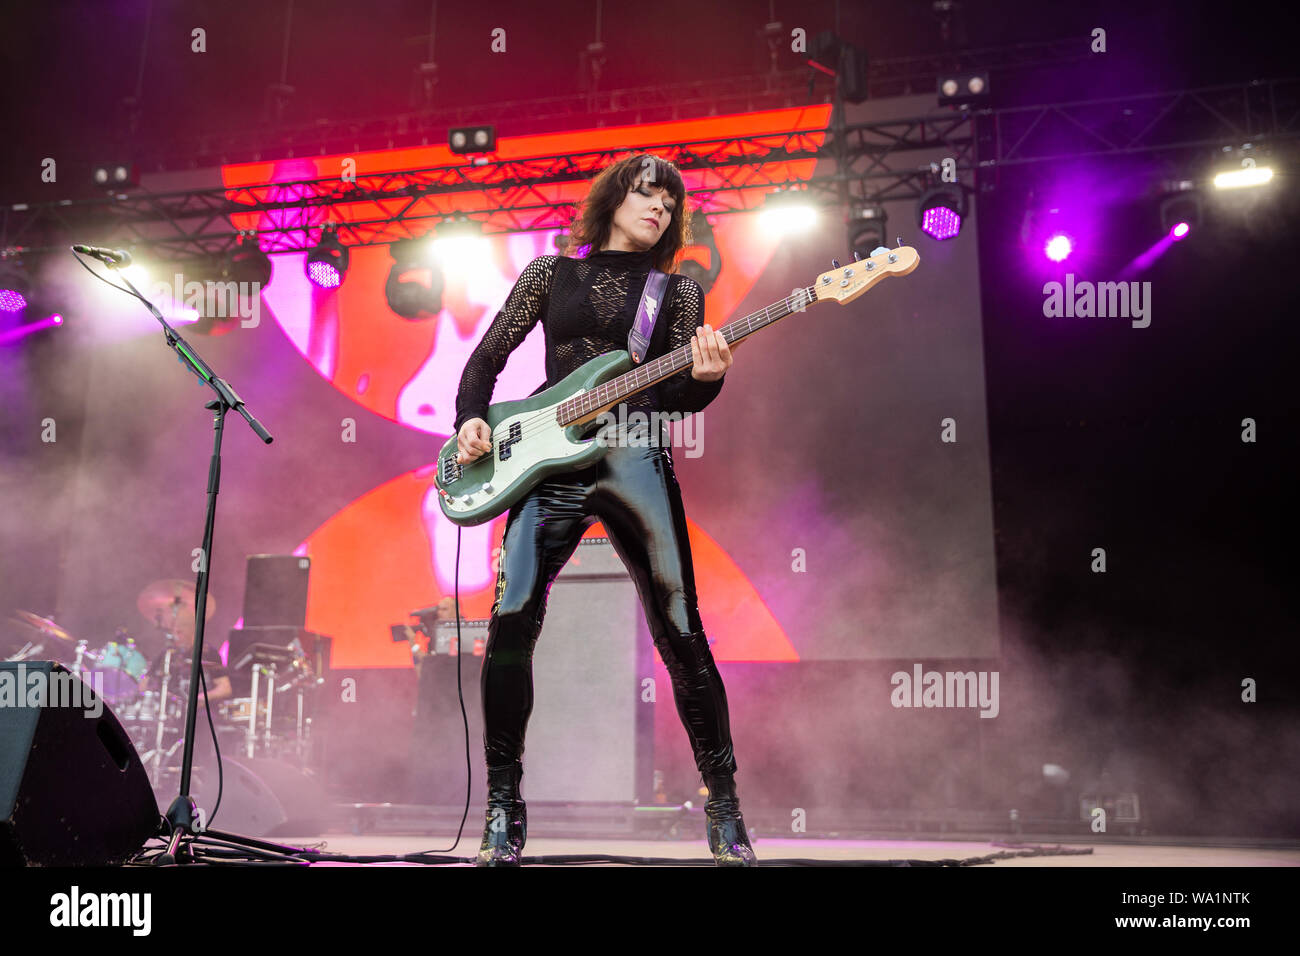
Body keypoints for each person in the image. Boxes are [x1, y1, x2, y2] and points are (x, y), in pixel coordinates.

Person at [453, 152, 754, 866]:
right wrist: (470, 419)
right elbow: (487, 358)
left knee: (681, 629)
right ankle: (503, 807)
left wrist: (706, 381)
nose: (659, 207)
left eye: (670, 201)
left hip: (635, 453)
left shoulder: (676, 293)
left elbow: (675, 393)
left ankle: (725, 807)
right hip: (546, 462)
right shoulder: (549, 275)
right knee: (510, 615)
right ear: (615, 197)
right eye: (648, 192)